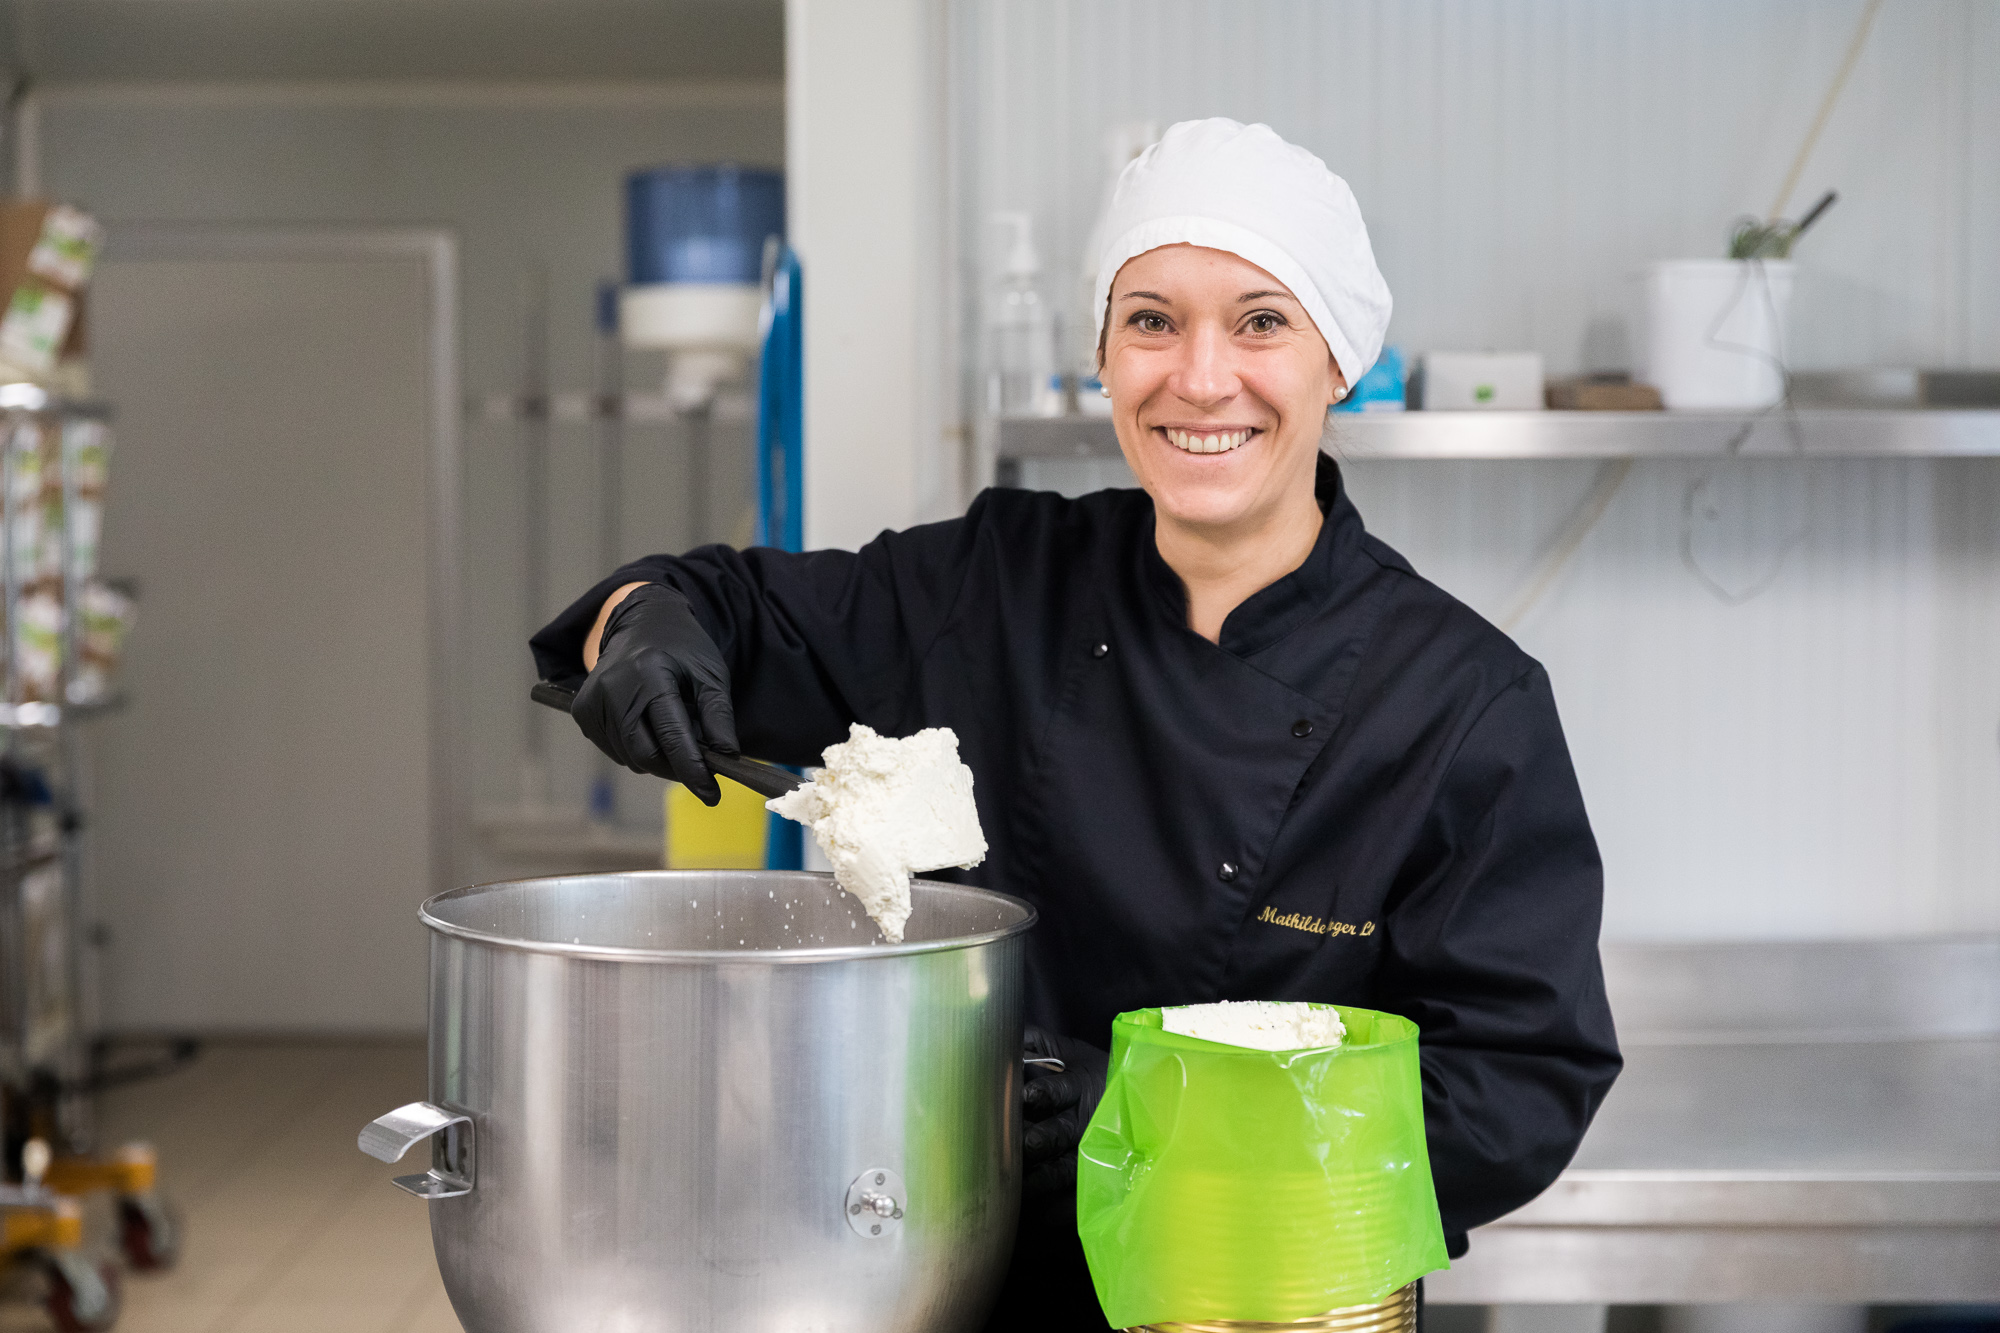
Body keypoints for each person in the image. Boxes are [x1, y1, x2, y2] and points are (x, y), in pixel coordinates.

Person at [533, 118, 1621, 1330]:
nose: (1199, 378)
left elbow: (1514, 1086)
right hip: (958, 1280)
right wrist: (640, 634)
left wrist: (1155, 1114)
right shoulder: (993, 581)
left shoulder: (1460, 702)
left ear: (1337, 361)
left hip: (1262, 1297)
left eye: (1259, 321)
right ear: (1104, 355)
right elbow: (711, 604)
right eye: (1150, 319)